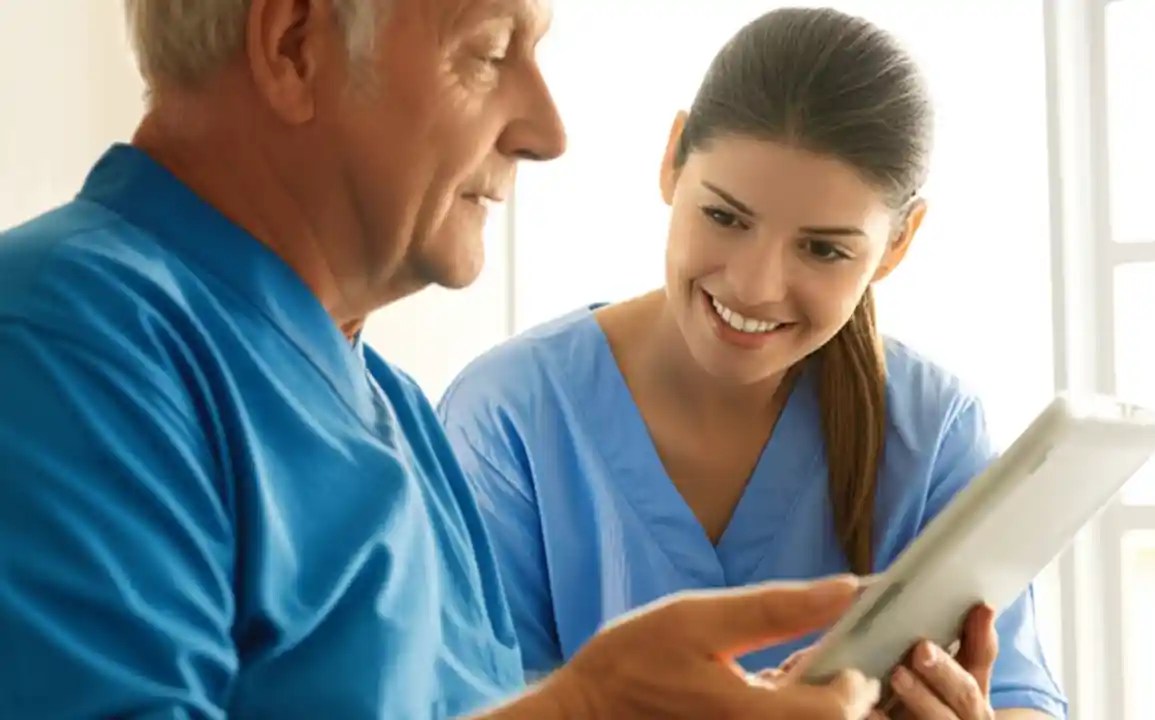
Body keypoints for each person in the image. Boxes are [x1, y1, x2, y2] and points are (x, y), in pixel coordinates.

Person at [0, 1, 886, 718]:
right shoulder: (61, 338)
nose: (546, 131)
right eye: (491, 51)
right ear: (295, 45)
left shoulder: (397, 412)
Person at [437, 7, 1068, 720]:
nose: (754, 286)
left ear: (897, 244)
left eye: (823, 249)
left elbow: (1019, 697)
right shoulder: (510, 414)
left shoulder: (933, 430)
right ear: (673, 158)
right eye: (726, 218)